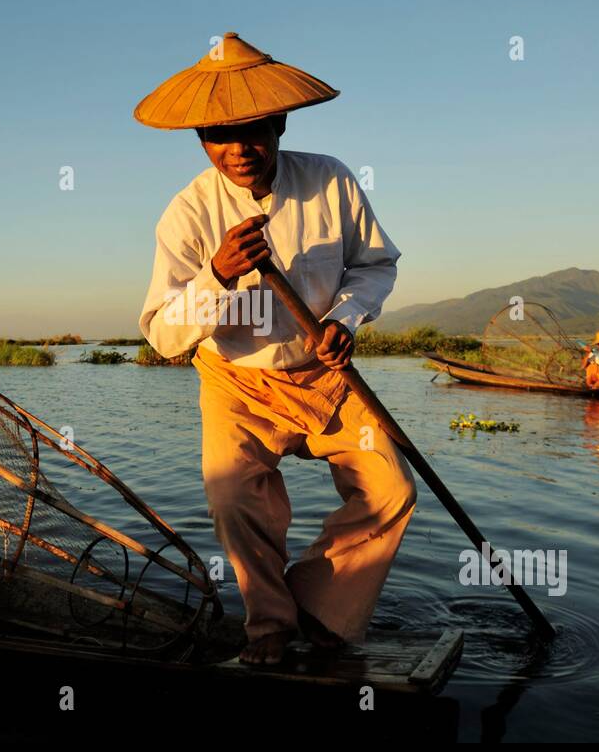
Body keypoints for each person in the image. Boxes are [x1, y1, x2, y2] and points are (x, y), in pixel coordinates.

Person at [134, 32, 415, 665]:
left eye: (254, 129)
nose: (238, 149)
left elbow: (374, 266)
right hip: (237, 381)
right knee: (237, 502)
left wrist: (344, 318)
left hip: (324, 373)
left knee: (390, 489)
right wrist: (219, 276)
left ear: (279, 121)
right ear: (201, 140)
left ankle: (319, 610)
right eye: (218, 136)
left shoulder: (330, 181)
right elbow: (162, 332)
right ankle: (268, 629)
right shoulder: (187, 213)